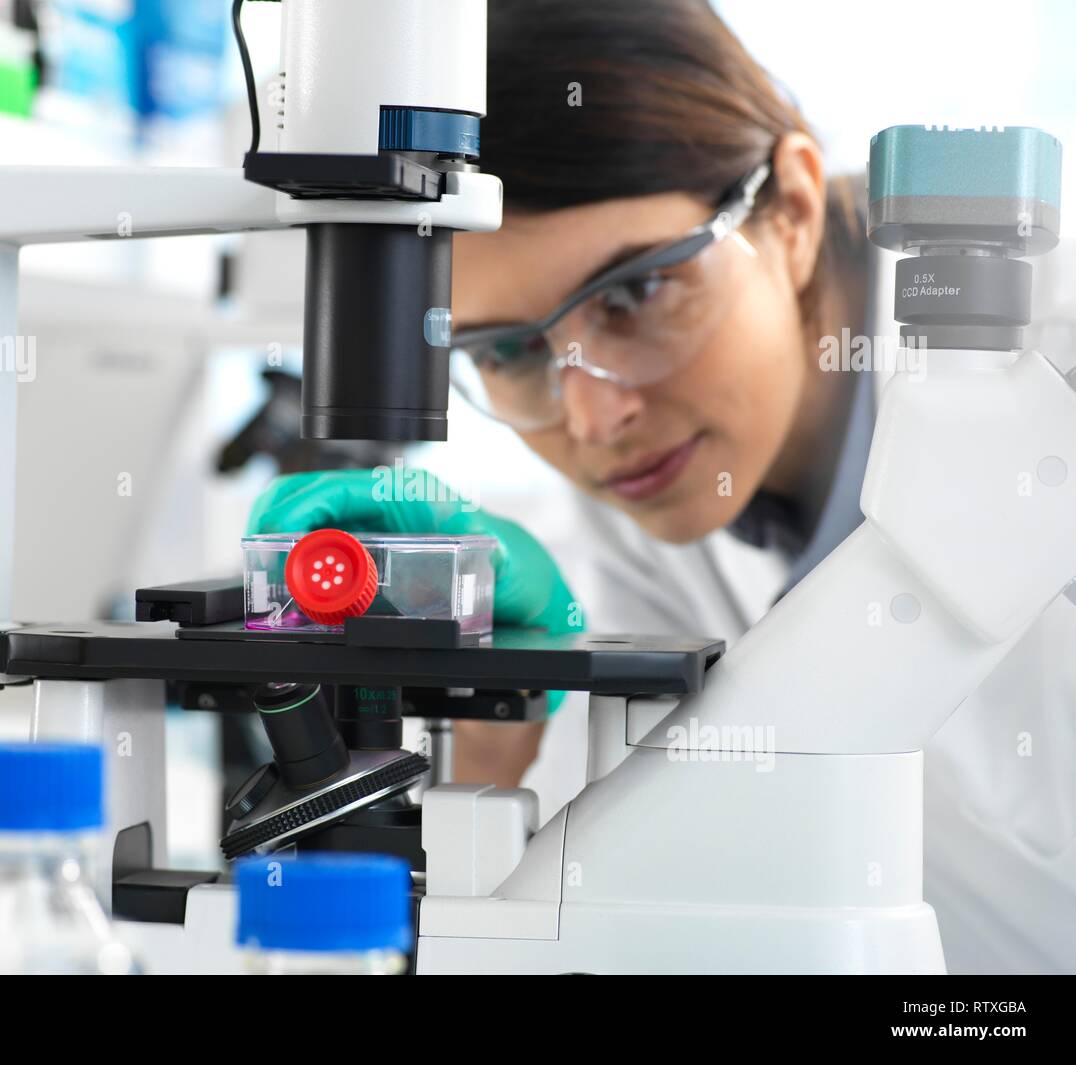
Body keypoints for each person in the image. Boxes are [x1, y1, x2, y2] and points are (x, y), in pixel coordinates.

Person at [248, 0, 1075, 974]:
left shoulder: (1037, 372)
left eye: (634, 295)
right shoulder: (652, 499)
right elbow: (596, 906)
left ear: (794, 212)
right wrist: (488, 696)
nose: (593, 421)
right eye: (507, 351)